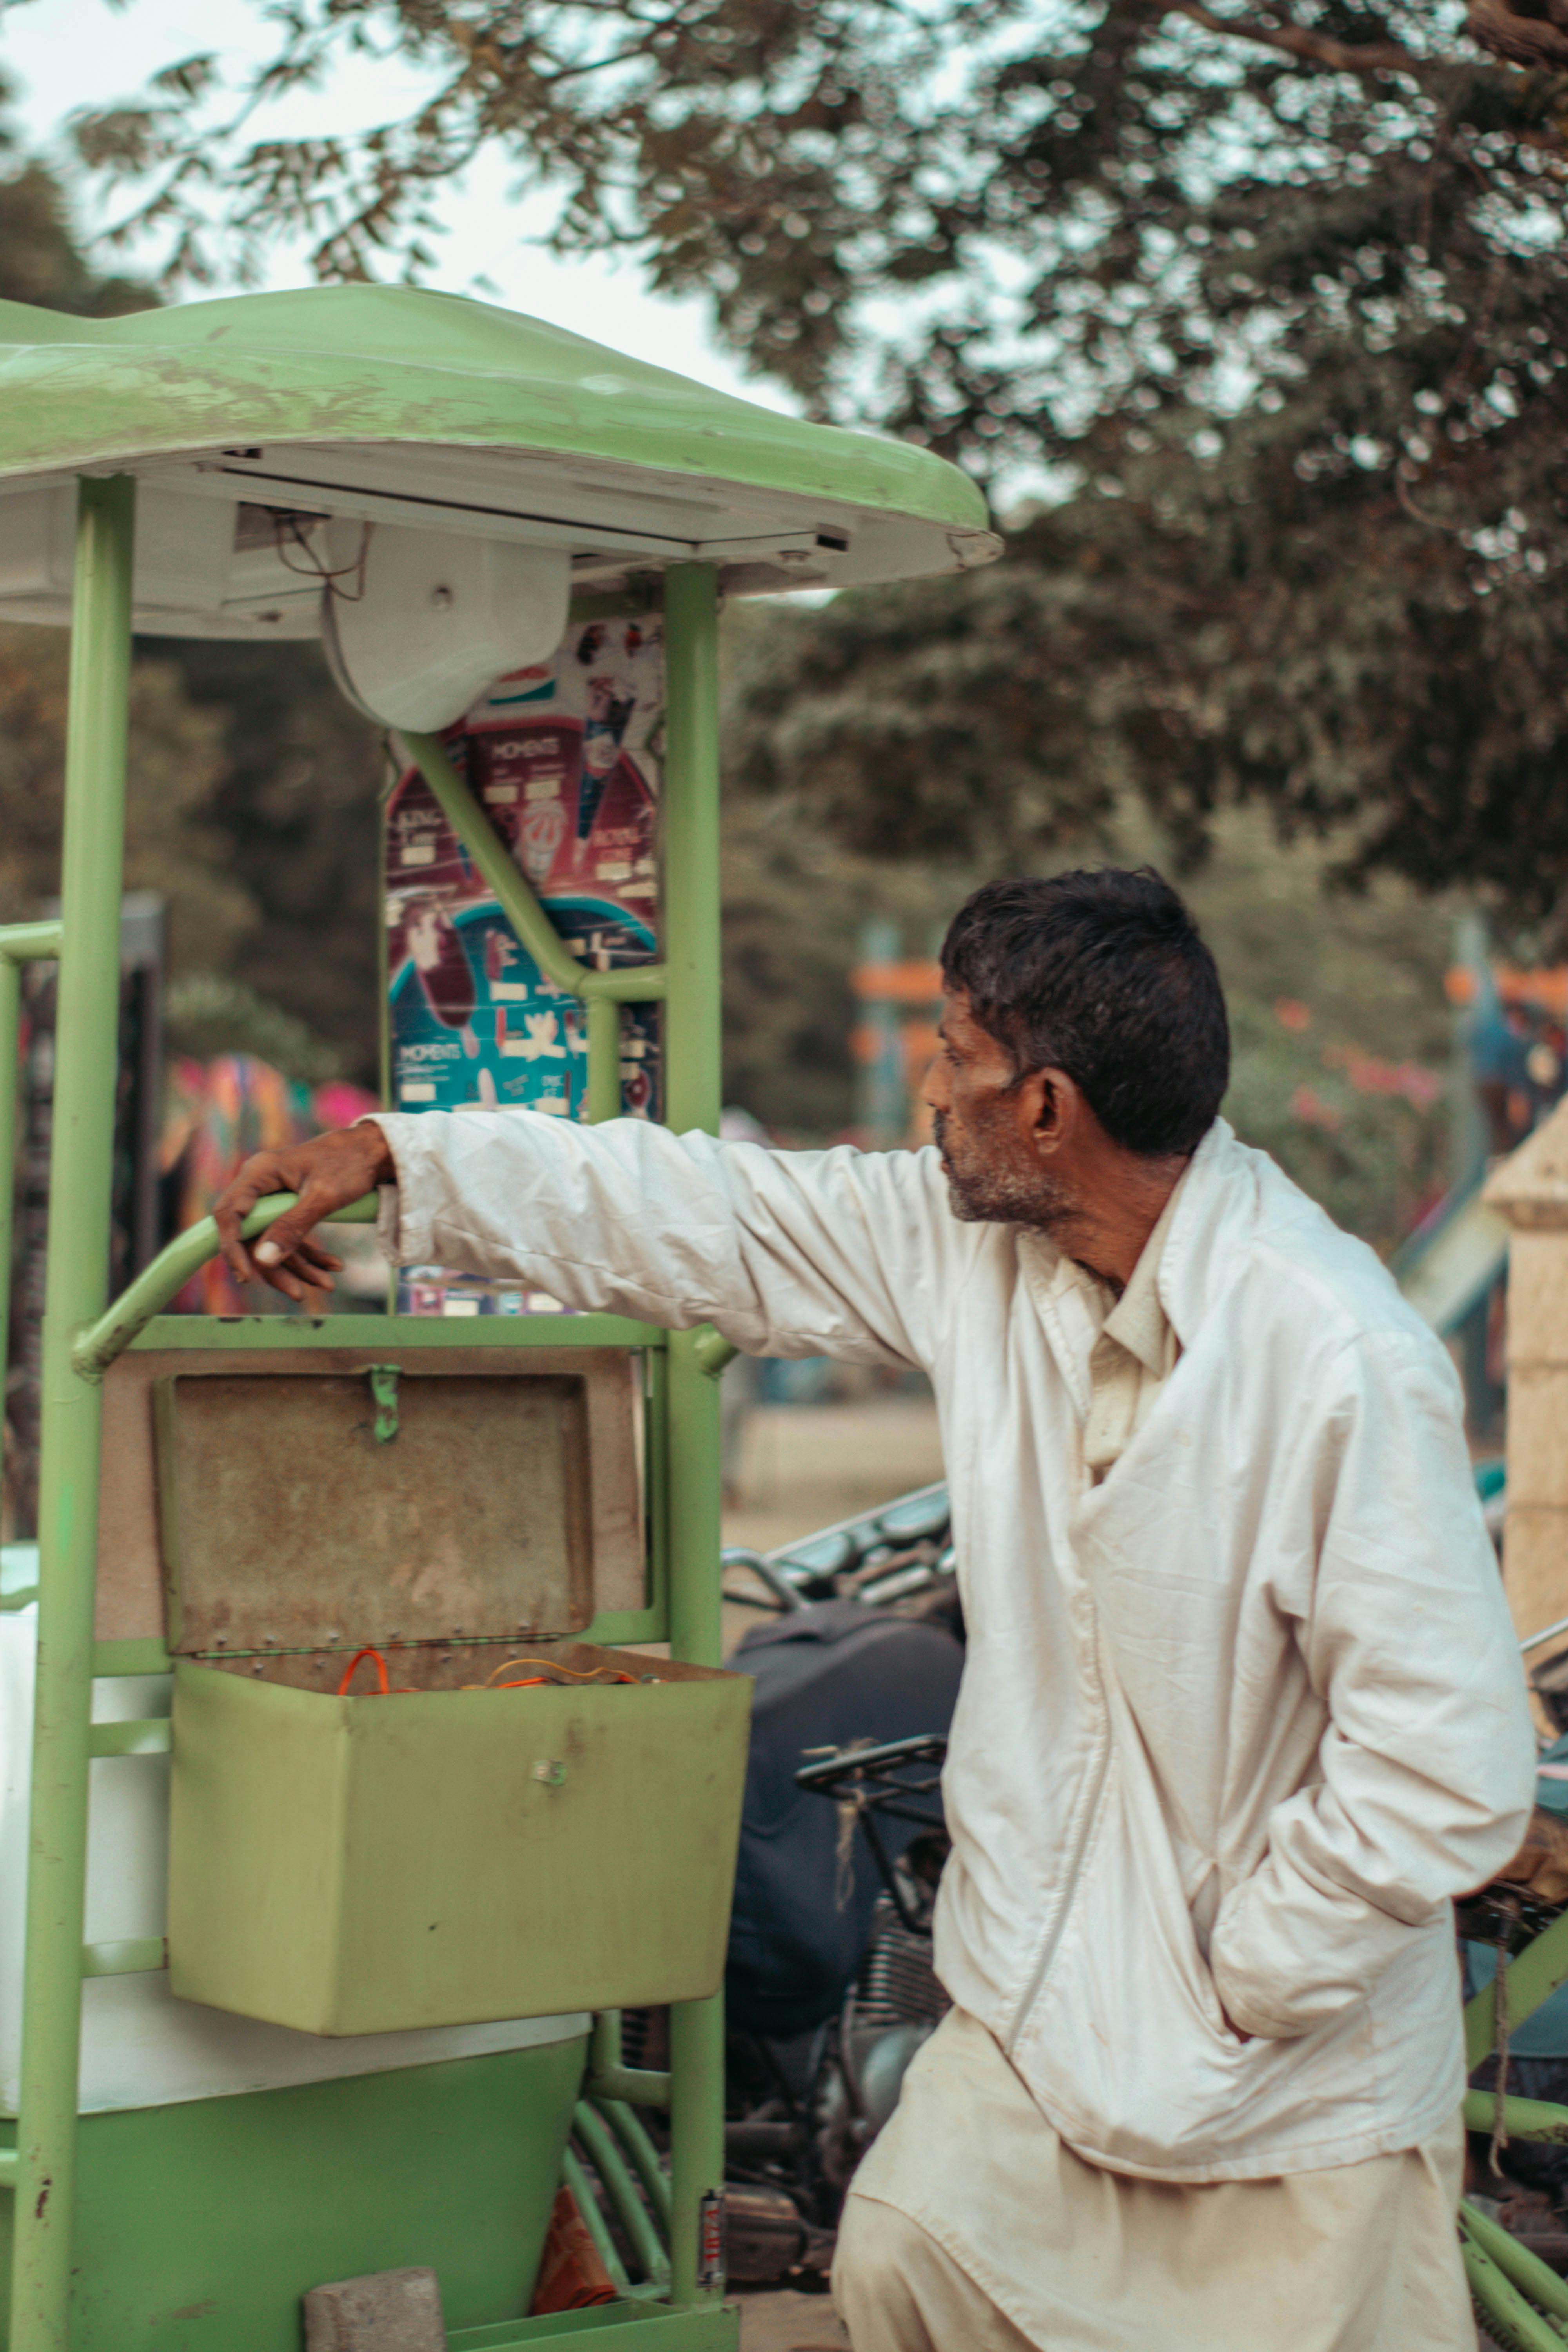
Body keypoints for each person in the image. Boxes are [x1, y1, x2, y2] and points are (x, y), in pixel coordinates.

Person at [214, 868, 1535, 2352]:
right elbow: (711, 1211)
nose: (929, 1088)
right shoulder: (977, 1245)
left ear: (1048, 1108)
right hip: (1036, 2032)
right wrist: (404, 1157)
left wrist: (1250, 1970)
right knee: (905, 2266)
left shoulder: (1337, 1353)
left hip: (1287, 2090)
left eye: (958, 1056)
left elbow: (1444, 1763)